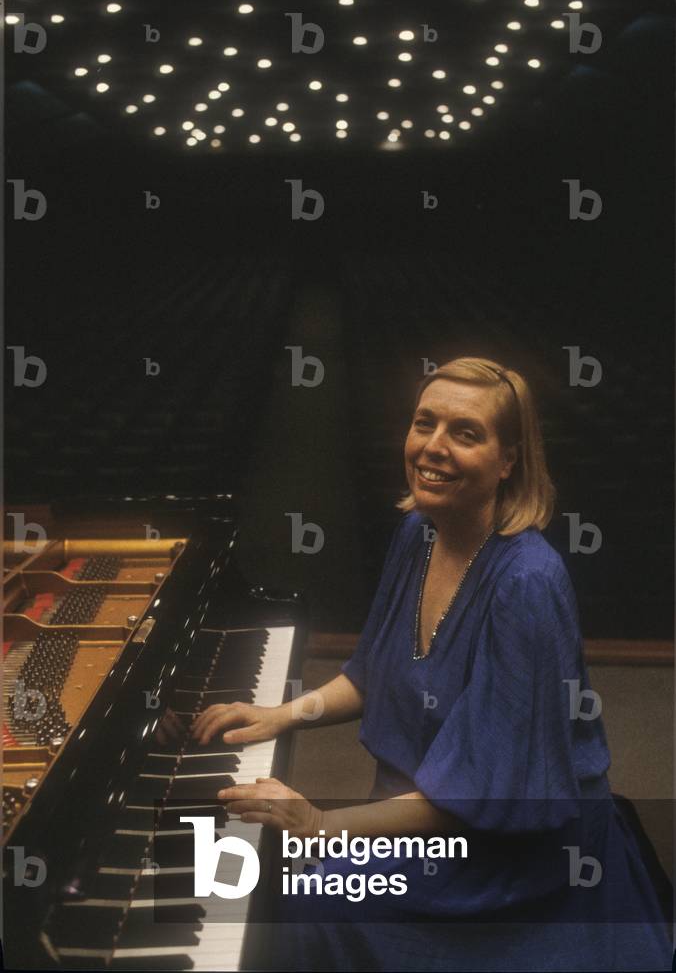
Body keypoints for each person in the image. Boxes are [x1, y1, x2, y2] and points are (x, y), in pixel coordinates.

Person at [192, 356, 673, 972]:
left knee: (295, 896)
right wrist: (279, 715)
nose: (433, 447)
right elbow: (373, 673)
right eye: (425, 423)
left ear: (508, 461)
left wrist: (318, 823)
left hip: (505, 848)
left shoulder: (526, 584)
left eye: (465, 433)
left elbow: (481, 795)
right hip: (425, 809)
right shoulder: (419, 532)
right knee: (262, 879)